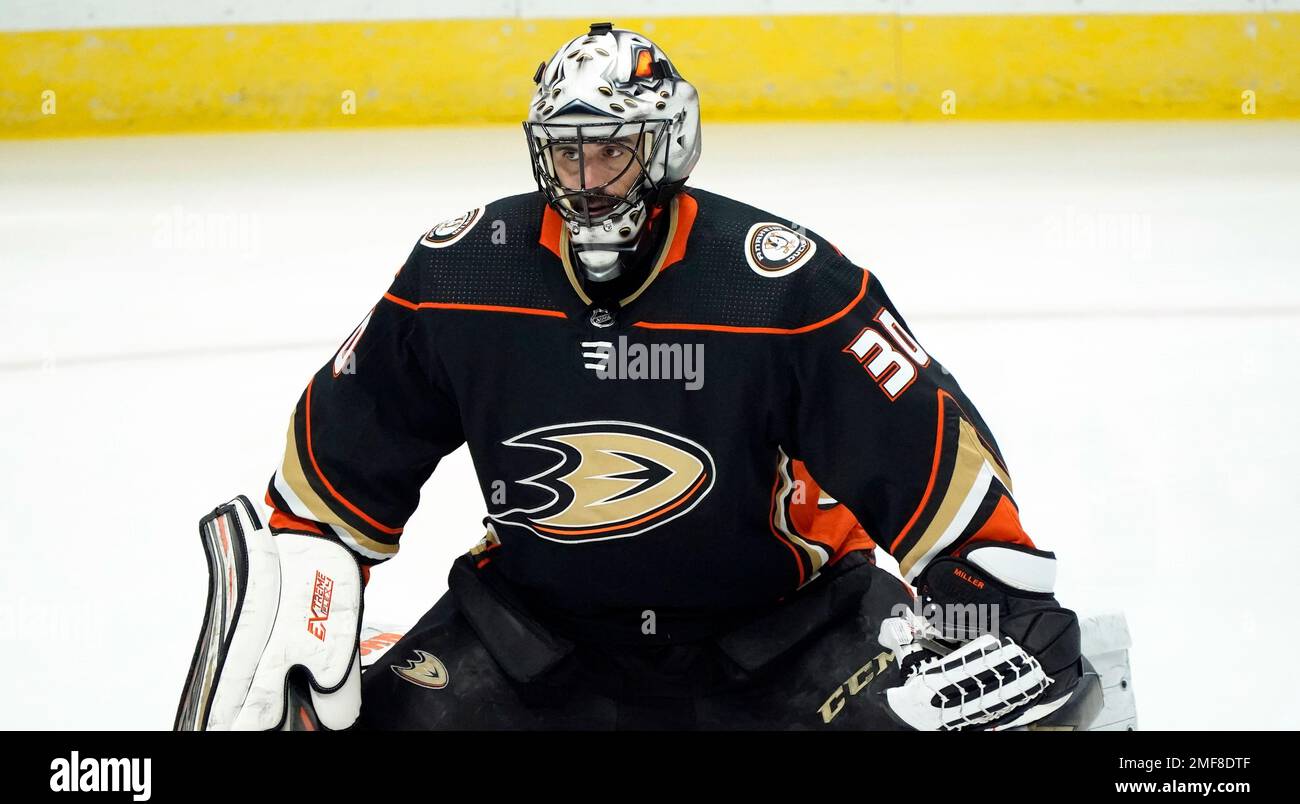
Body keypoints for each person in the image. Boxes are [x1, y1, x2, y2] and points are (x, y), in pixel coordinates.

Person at [178, 23, 1084, 731]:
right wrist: (311, 595)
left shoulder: (780, 284)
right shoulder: (461, 276)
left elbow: (917, 444)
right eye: (565, 152)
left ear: (667, 146)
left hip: (791, 628)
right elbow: (331, 482)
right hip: (537, 631)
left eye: (609, 150)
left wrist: (984, 588)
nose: (585, 179)